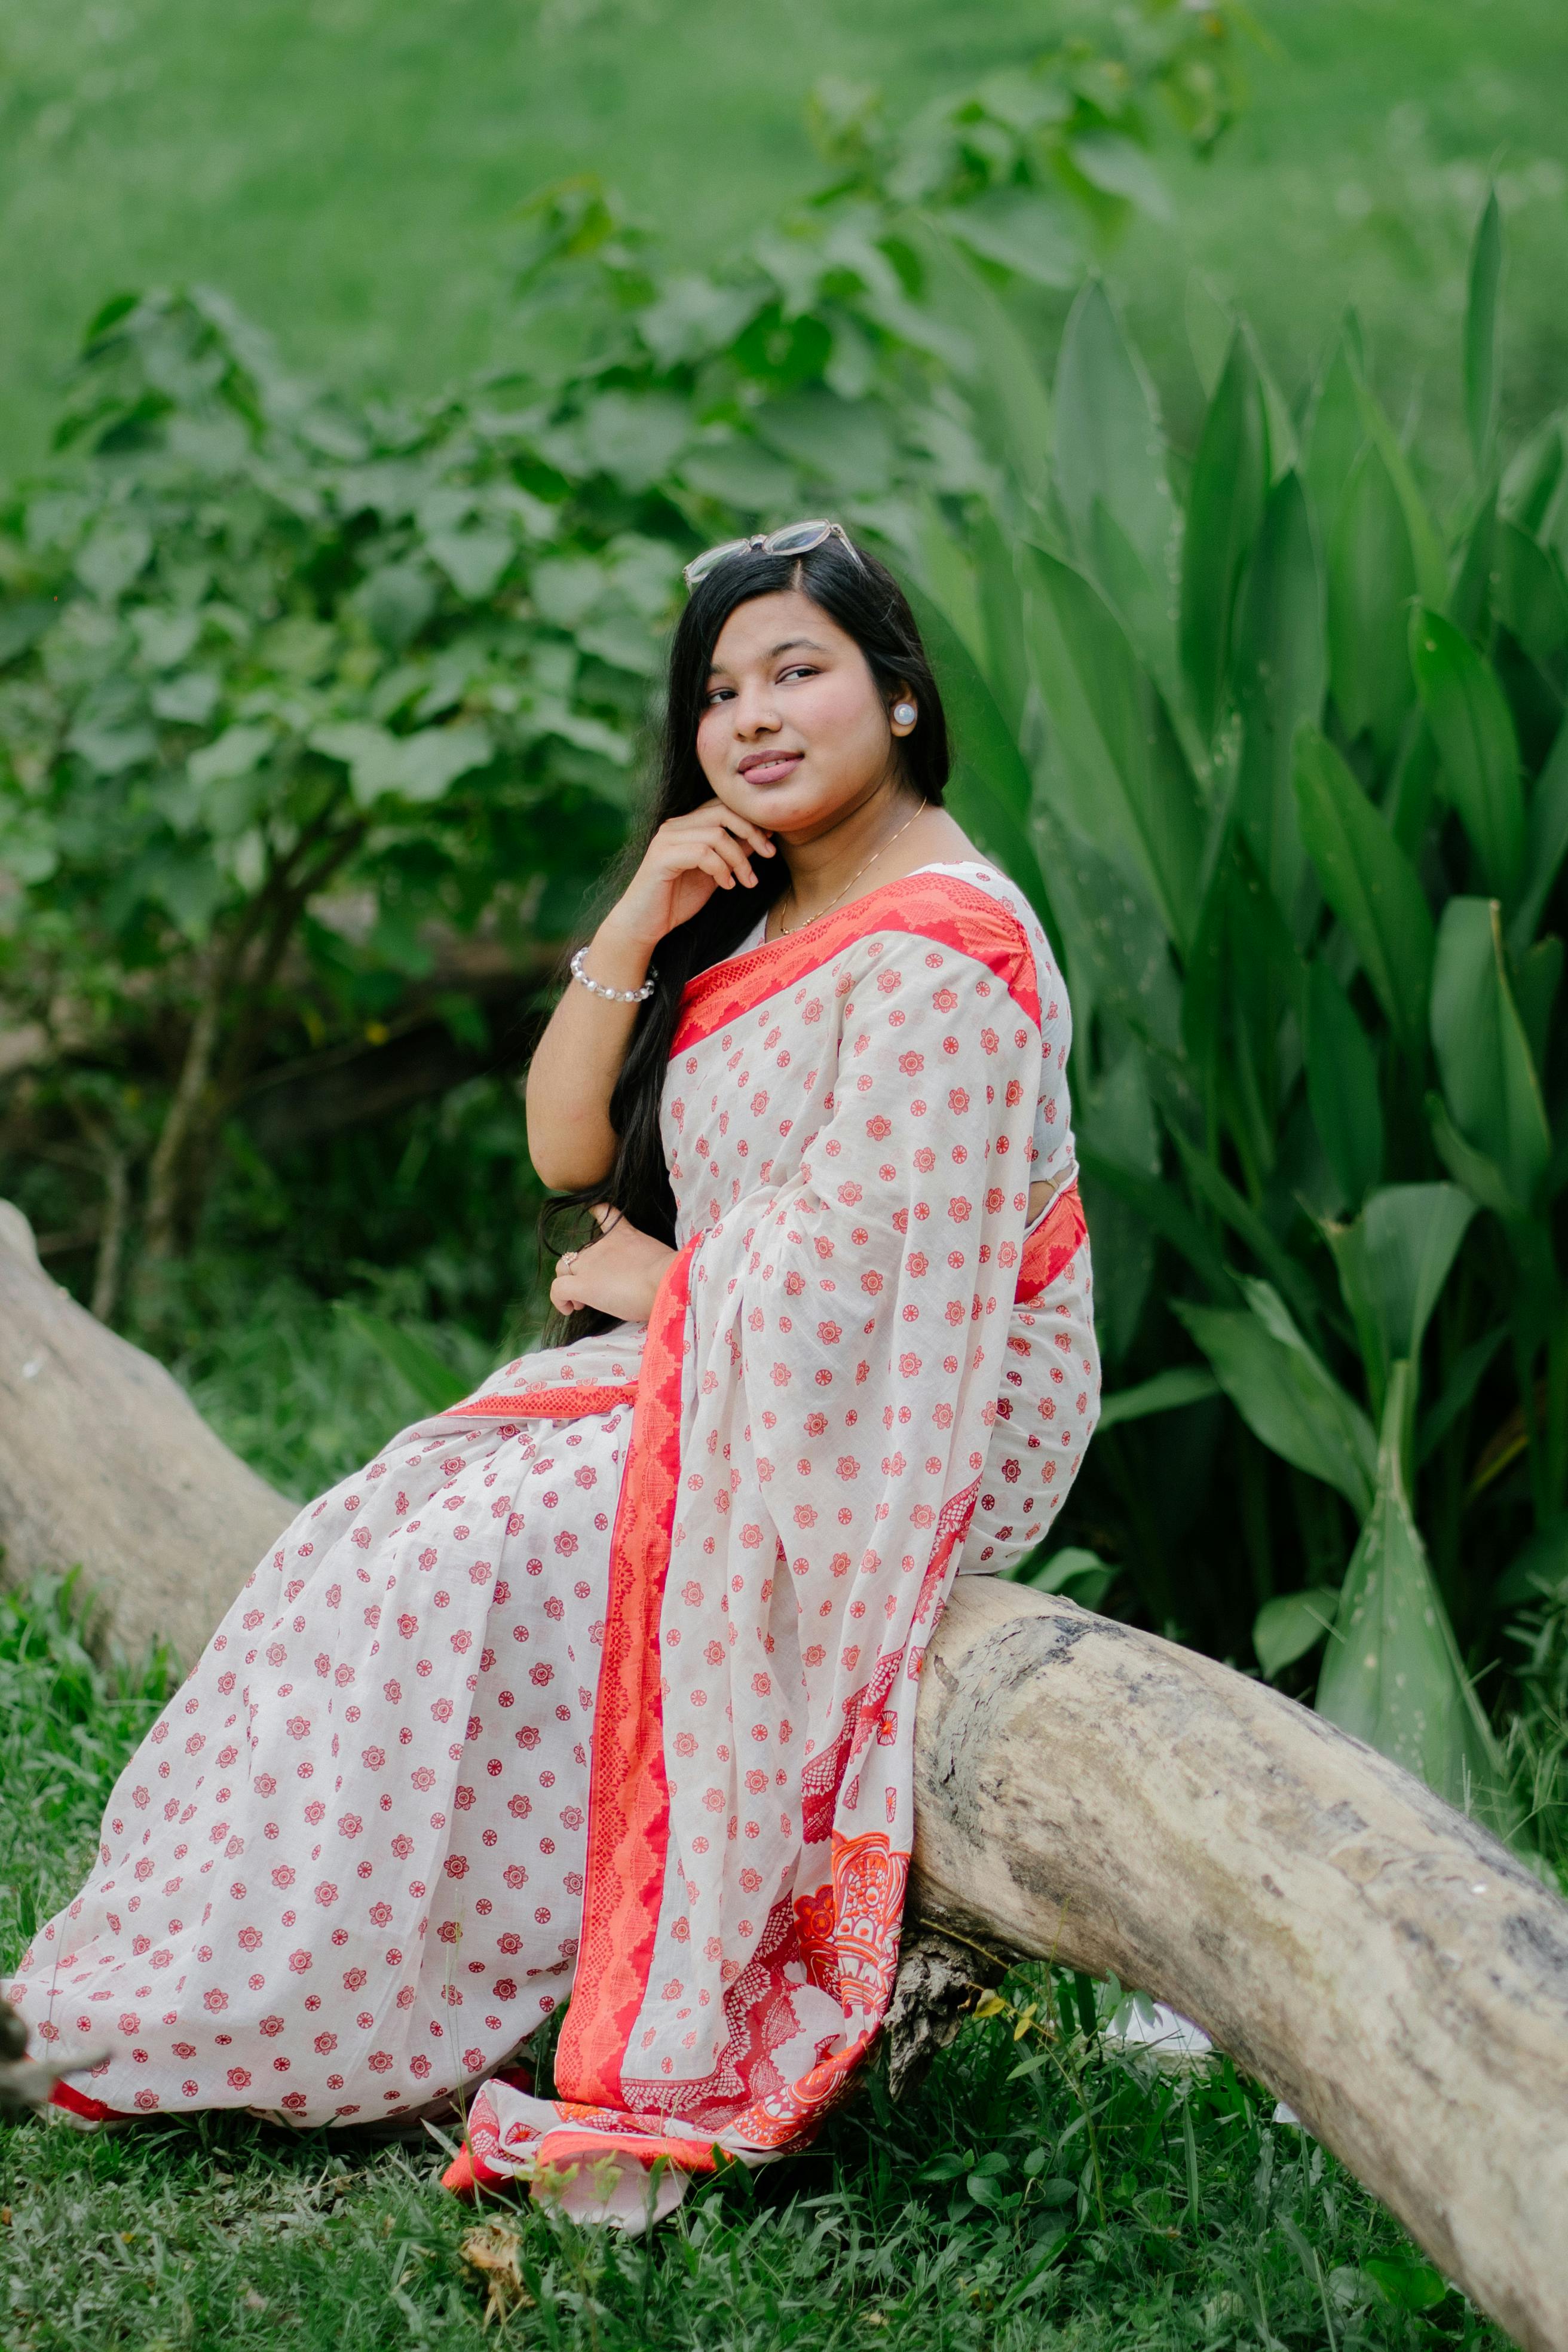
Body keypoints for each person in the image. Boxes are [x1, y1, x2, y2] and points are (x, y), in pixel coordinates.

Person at [8, 522, 1099, 2226]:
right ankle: (182, 1982)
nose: (750, 714)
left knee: (461, 1569)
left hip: (909, 1424)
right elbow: (564, 1141)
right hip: (722, 1375)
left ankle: (337, 2000)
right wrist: (642, 906)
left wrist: (667, 1289)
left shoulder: (948, 941)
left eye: (797, 670)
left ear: (899, 698)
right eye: (719, 689)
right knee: (362, 1536)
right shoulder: (764, 906)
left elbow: (898, 1292)